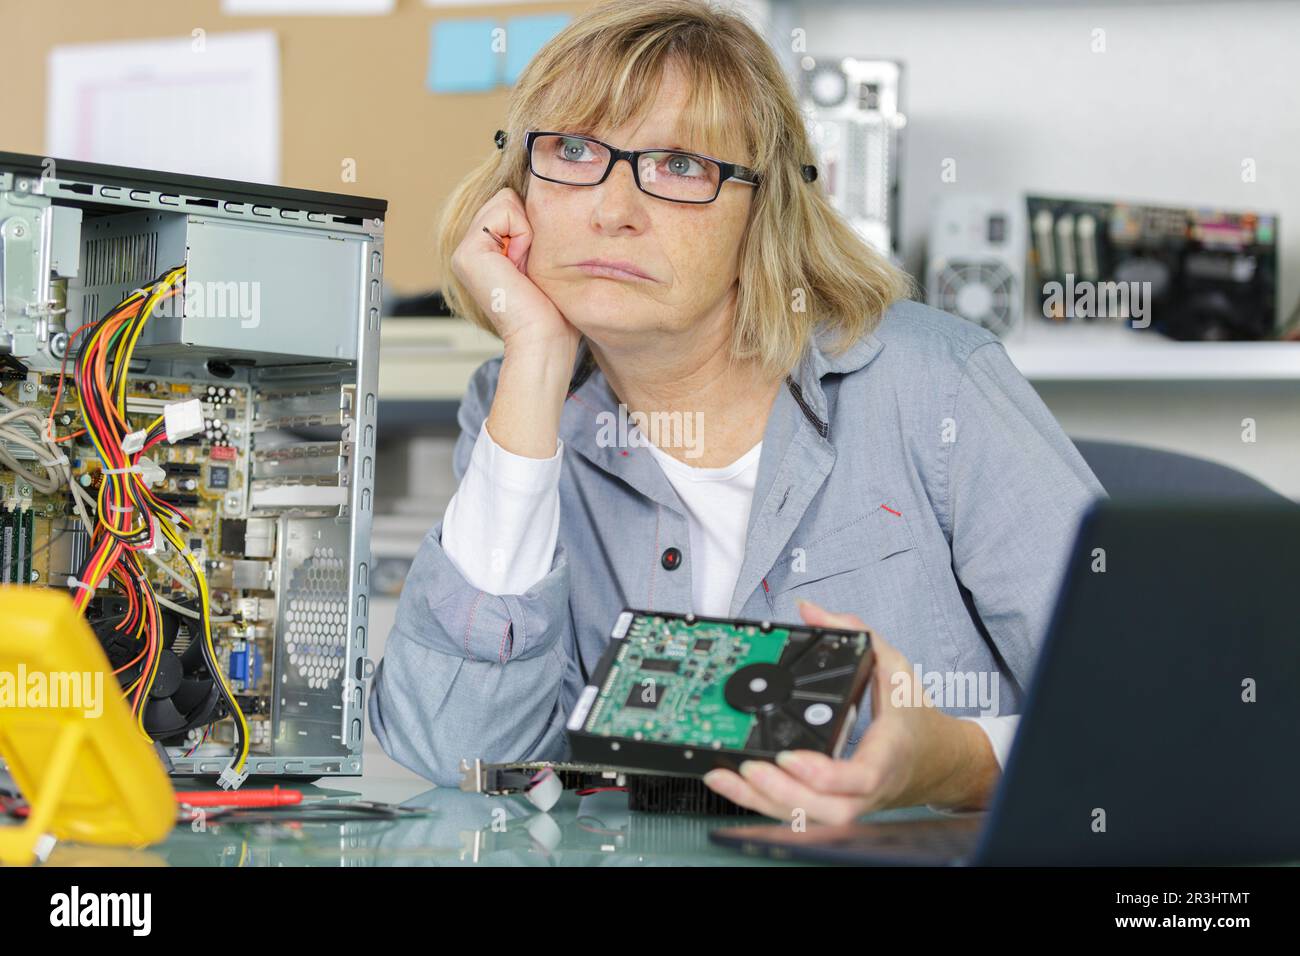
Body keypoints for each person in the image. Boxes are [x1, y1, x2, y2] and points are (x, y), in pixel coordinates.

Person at [368, 0, 1105, 822]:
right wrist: (535, 354)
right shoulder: (519, 408)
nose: (613, 209)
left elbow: (1155, 705)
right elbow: (459, 748)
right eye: (574, 151)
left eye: (680, 164)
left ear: (764, 212)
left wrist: (959, 766)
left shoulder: (937, 386)